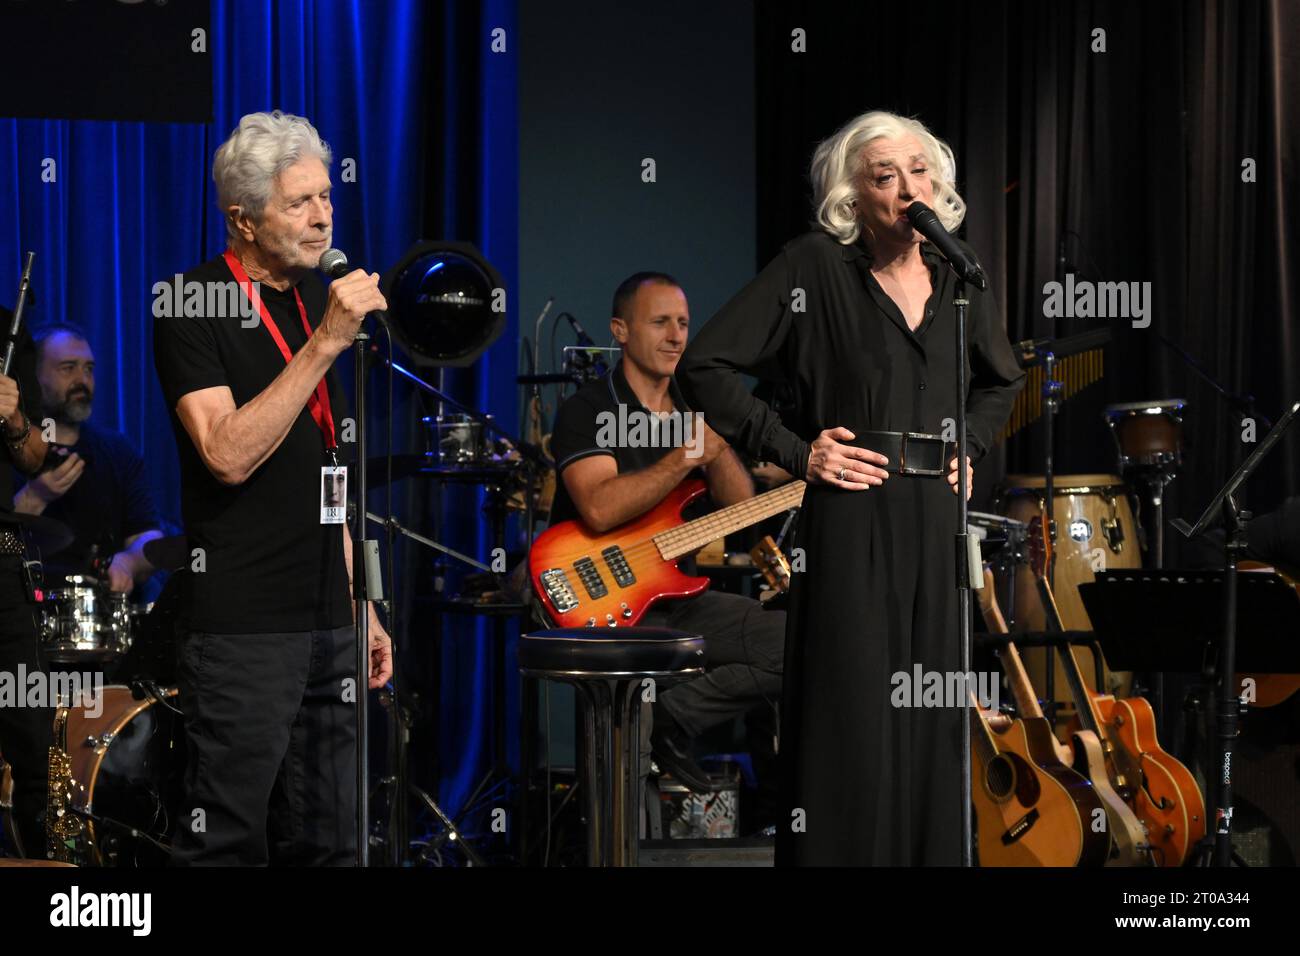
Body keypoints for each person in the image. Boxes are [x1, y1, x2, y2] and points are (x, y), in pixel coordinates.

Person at [678, 110, 1025, 864]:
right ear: (852, 197)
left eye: (920, 172)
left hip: (937, 520)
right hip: (851, 520)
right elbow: (702, 366)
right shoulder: (814, 267)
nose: (908, 190)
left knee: (930, 720)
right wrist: (797, 453)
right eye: (885, 176)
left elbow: (1003, 380)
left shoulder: (961, 277)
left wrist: (969, 441)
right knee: (853, 721)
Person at [153, 110, 392, 865]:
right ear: (243, 219)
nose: (322, 215)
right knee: (228, 841)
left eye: (325, 197)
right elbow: (225, 453)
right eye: (299, 202)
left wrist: (366, 606)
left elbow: (329, 472)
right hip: (245, 626)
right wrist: (325, 344)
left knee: (336, 844)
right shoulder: (190, 302)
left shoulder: (310, 301)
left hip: (331, 618)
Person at [547, 271, 784, 793]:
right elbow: (599, 508)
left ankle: (678, 717)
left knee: (799, 641)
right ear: (621, 330)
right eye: (660, 322)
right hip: (603, 599)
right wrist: (683, 458)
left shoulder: (695, 405)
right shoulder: (588, 410)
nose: (677, 336)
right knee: (624, 757)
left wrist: (717, 446)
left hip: (678, 596)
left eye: (683, 323)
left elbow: (742, 513)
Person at [14, 323, 163, 592]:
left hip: (100, 615)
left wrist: (127, 563)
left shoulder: (117, 451)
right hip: (24, 611)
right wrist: (35, 497)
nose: (82, 380)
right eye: (68, 368)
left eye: (89, 369)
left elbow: (147, 536)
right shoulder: (9, 448)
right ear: (34, 377)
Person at [0, 317, 51, 857]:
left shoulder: (5, 329)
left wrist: (15, 419)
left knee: (32, 743)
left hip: (2, 563)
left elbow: (35, 455)